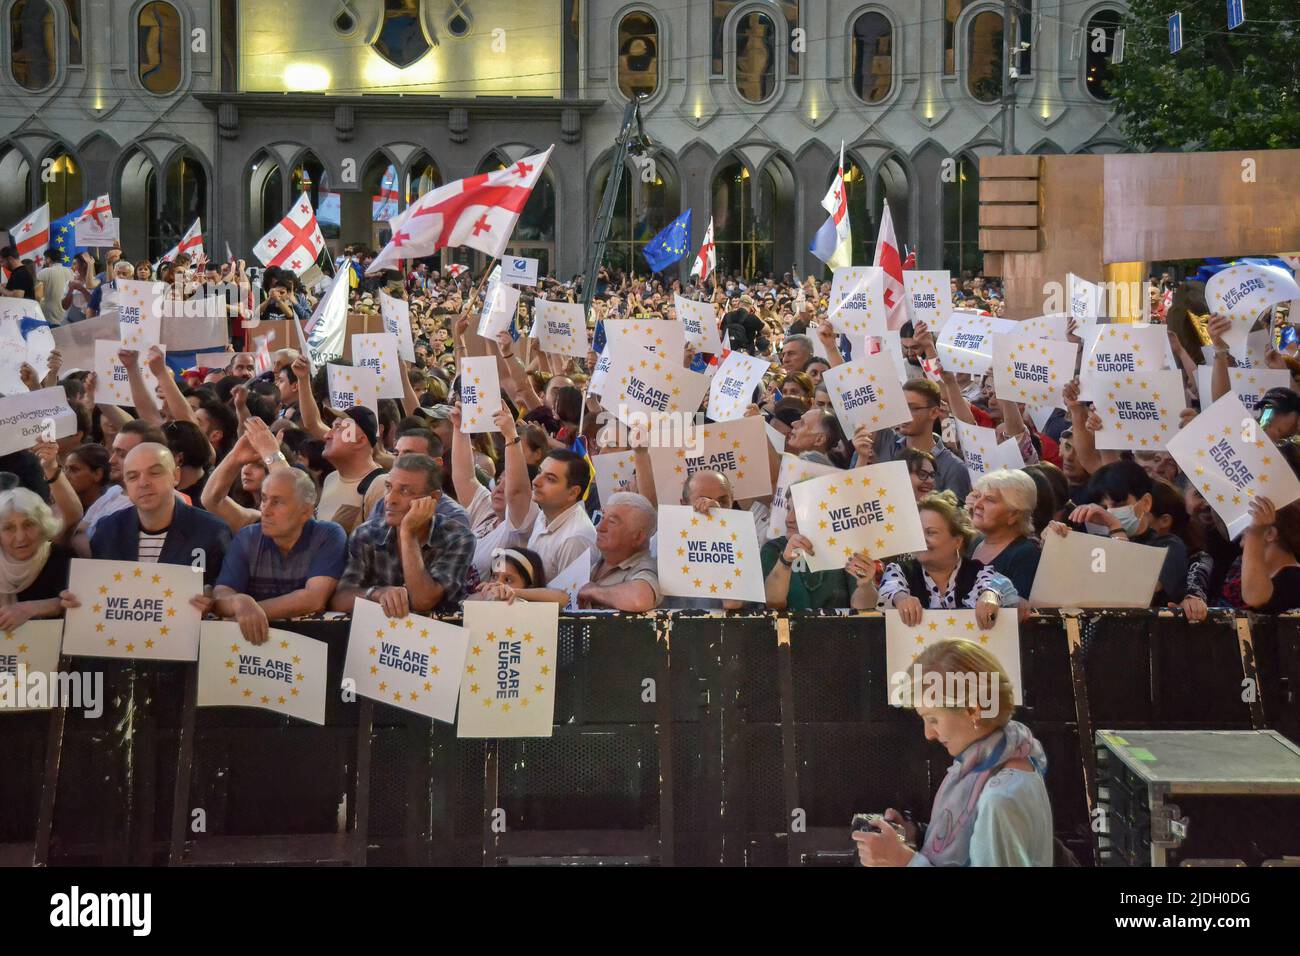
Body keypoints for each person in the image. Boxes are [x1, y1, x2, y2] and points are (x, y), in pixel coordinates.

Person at [853, 640, 1053, 867]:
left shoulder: (999, 799)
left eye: (933, 719)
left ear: (972, 710)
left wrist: (904, 861)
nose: (928, 734)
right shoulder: (1006, 758)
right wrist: (916, 836)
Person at [211, 469, 347, 644]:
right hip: (254, 649)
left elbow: (314, 599)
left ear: (306, 511)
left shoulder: (328, 535)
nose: (265, 510)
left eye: (277, 502)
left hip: (311, 645)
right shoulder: (248, 537)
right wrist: (239, 602)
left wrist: (250, 611)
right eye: (264, 498)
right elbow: (220, 595)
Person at [331, 454, 475, 617]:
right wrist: (377, 594)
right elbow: (339, 600)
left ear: (433, 498)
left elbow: (423, 601)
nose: (390, 499)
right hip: (379, 638)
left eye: (405, 491)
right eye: (388, 487)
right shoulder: (367, 534)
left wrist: (407, 533)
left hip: (439, 636)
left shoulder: (458, 538)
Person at [85, 443, 230, 586]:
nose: (143, 483)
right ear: (126, 485)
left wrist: (212, 600)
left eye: (154, 473)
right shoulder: (107, 530)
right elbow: (97, 588)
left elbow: (223, 592)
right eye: (133, 477)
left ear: (176, 476)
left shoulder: (211, 531)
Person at [878, 492, 1019, 625]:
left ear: (957, 541)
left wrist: (990, 594)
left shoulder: (978, 571)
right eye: (918, 533)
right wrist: (901, 599)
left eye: (931, 533)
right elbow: (890, 587)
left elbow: (1001, 583)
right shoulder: (900, 570)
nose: (921, 540)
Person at [762, 500, 878, 611]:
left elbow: (864, 610)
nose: (789, 519)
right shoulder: (774, 549)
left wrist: (865, 585)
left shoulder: (847, 549)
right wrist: (785, 561)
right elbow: (773, 604)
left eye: (799, 511)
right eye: (788, 509)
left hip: (838, 630)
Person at [507, 448, 596, 582]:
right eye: (539, 472)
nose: (536, 482)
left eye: (550, 479)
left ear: (573, 493)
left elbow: (568, 599)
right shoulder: (546, 512)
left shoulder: (575, 539)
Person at [0, 488, 72, 630]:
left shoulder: (61, 558)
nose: (20, 537)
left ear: (42, 525)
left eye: (29, 524)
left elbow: (75, 602)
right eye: (9, 528)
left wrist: (31, 608)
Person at [575, 492, 661, 612]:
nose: (600, 527)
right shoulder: (597, 559)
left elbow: (639, 599)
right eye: (602, 517)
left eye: (612, 522)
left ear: (638, 536)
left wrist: (595, 591)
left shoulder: (647, 568)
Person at [968, 469, 1041, 601]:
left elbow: (1017, 612)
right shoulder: (973, 541)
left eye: (990, 500)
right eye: (978, 497)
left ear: (1014, 514)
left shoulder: (1026, 555)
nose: (978, 504)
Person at [1240, 496, 1300, 613]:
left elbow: (1254, 596)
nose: (1242, 544)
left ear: (1270, 533)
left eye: (1245, 534)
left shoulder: (1294, 579)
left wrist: (1255, 534)